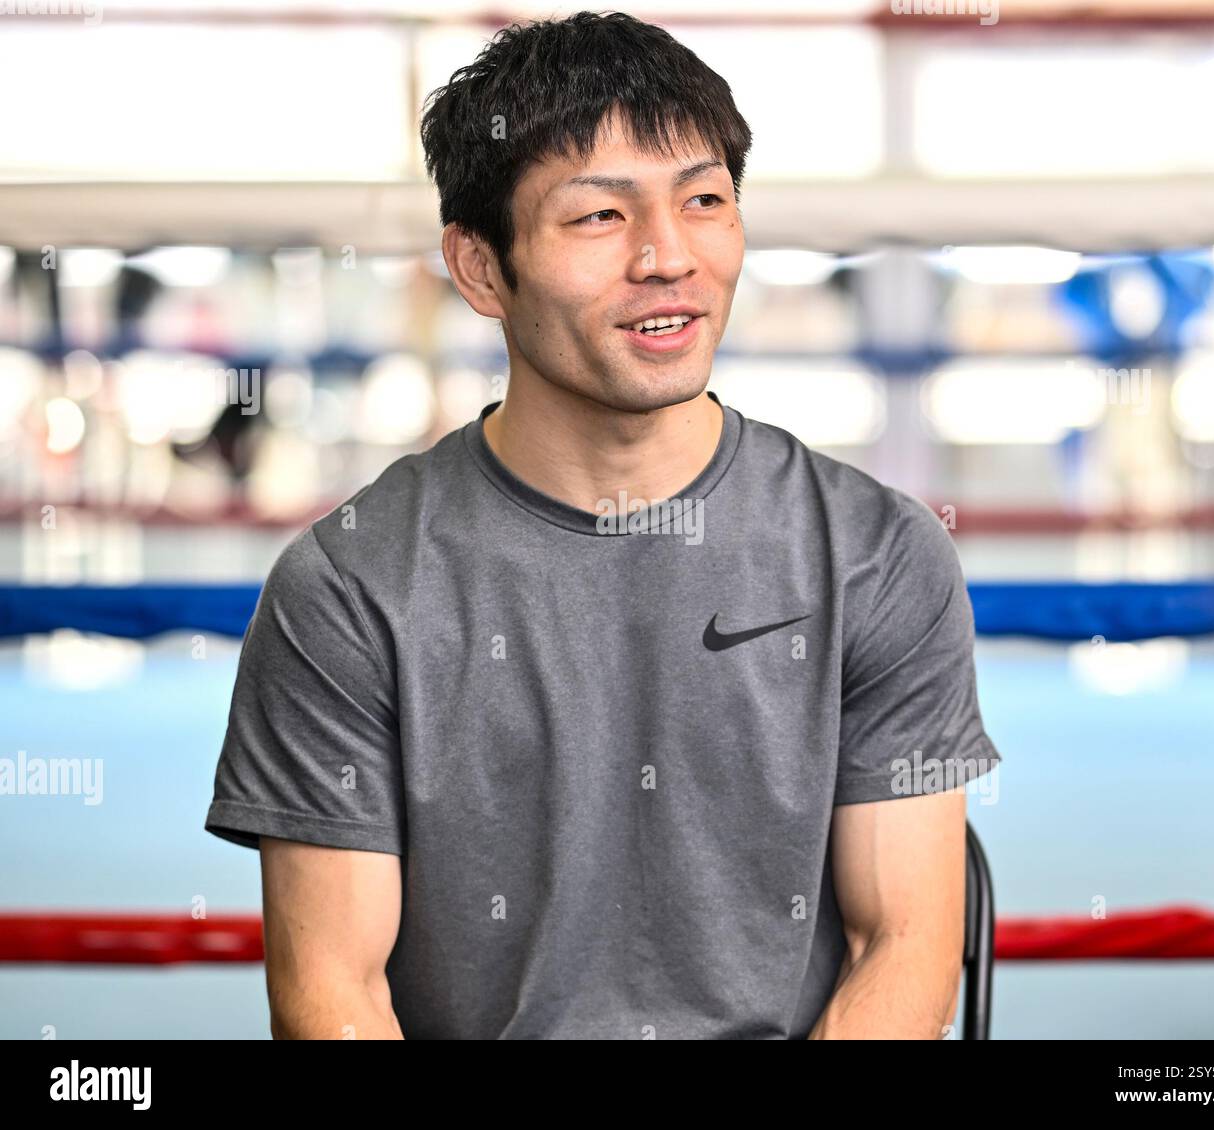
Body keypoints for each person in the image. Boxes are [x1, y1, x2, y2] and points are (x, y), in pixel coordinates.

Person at [205, 9, 1002, 1040]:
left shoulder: (877, 555)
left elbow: (900, 950)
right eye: (598, 218)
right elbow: (332, 997)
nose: (668, 256)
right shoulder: (348, 588)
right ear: (483, 268)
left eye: (704, 200)